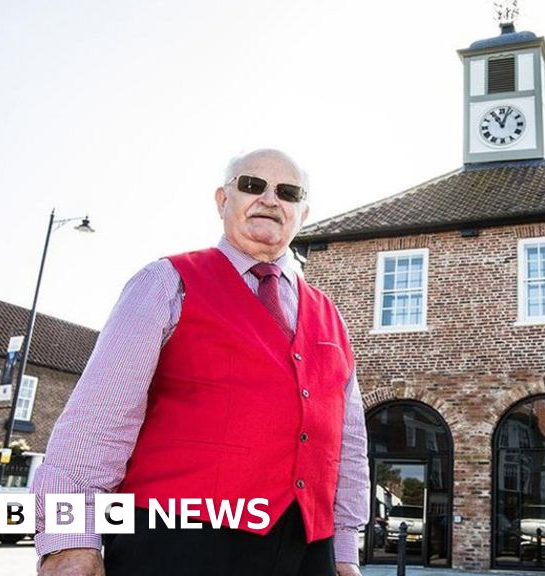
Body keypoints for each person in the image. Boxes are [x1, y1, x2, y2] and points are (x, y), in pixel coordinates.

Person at [33, 149, 370, 576]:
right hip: (177, 541)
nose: (269, 199)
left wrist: (344, 550)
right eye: (252, 185)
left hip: (307, 549)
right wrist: (68, 541)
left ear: (302, 213)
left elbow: (348, 444)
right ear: (221, 200)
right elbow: (97, 420)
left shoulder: (331, 316)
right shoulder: (165, 282)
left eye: (287, 192)